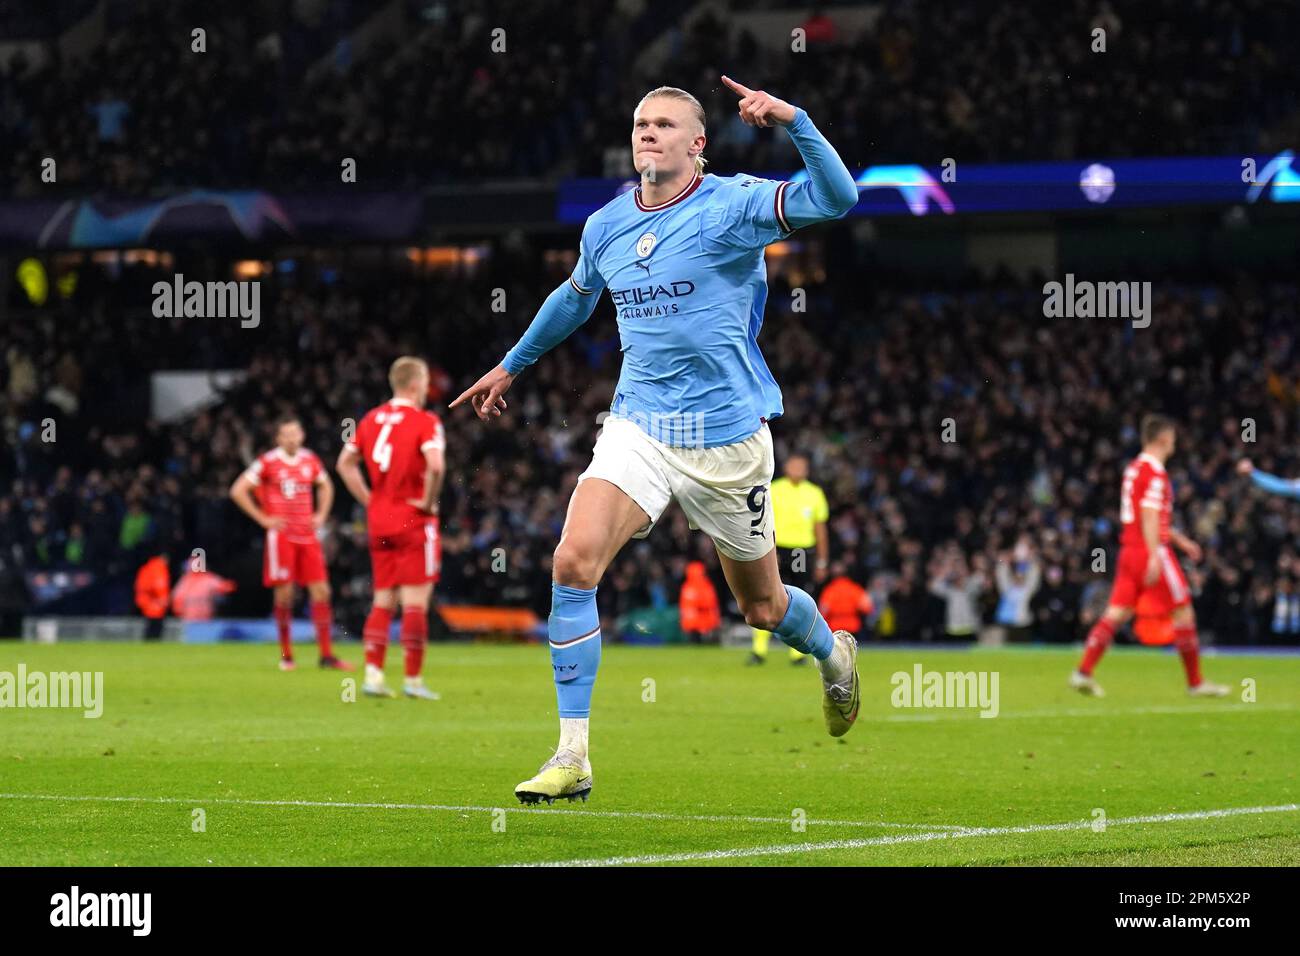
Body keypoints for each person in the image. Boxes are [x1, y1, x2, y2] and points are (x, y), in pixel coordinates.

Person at [451, 77, 861, 805]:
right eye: (641, 122)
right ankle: (572, 755)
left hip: (728, 438)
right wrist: (511, 365)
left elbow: (837, 198)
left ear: (697, 143)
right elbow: (574, 298)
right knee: (573, 561)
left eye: (665, 124)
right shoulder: (606, 225)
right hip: (639, 423)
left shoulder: (732, 205)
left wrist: (795, 119)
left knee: (763, 609)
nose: (648, 132)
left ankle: (834, 653)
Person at [1070, 414, 1229, 697]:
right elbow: (1150, 514)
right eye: (1173, 440)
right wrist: (1156, 553)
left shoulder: (1133, 469)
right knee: (1183, 610)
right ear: (1164, 439)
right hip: (1149, 549)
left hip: (1129, 550)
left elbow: (1149, 514)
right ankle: (1195, 683)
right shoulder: (1156, 473)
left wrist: (1181, 541)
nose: (1175, 445)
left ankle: (1083, 672)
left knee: (1117, 613)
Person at [337, 356, 446, 700]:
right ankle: (413, 681)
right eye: (426, 381)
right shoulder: (425, 421)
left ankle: (372, 675)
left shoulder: (370, 419)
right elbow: (437, 466)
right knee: (415, 603)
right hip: (413, 520)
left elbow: (344, 464)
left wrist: (370, 499)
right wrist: (428, 501)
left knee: (383, 599)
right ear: (415, 384)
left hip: (379, 520)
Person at [230, 415, 350, 671]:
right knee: (285, 595)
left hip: (307, 536)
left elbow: (326, 487)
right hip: (281, 537)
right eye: (287, 434)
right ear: (278, 438)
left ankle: (326, 656)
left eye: (296, 433)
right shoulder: (268, 462)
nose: (292, 438)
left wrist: (321, 515)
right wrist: (263, 518)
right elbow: (238, 489)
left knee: (322, 592)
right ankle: (286, 655)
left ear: (302, 435)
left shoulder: (310, 459)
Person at [749, 451, 830, 665]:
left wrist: (822, 561)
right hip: (775, 548)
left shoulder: (814, 493)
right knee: (766, 594)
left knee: (799, 595)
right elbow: (762, 521)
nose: (797, 470)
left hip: (800, 551)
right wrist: (765, 549)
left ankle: (798, 653)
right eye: (794, 465)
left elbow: (820, 529)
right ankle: (759, 650)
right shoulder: (774, 489)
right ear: (786, 468)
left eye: (801, 466)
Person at [818, 561, 875, 637]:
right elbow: (867, 607)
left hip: (835, 629)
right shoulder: (854, 588)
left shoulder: (829, 590)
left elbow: (823, 611)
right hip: (853, 628)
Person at [678, 560, 721, 643]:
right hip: (701, 619)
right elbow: (710, 603)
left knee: (696, 641)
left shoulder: (686, 586)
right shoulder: (705, 586)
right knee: (701, 641)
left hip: (694, 620)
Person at [134, 550, 169, 640]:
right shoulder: (159, 568)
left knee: (149, 623)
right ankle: (153, 640)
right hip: (153, 601)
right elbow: (160, 585)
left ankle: (148, 640)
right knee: (155, 625)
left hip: (144, 599)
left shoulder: (146, 567)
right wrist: (163, 599)